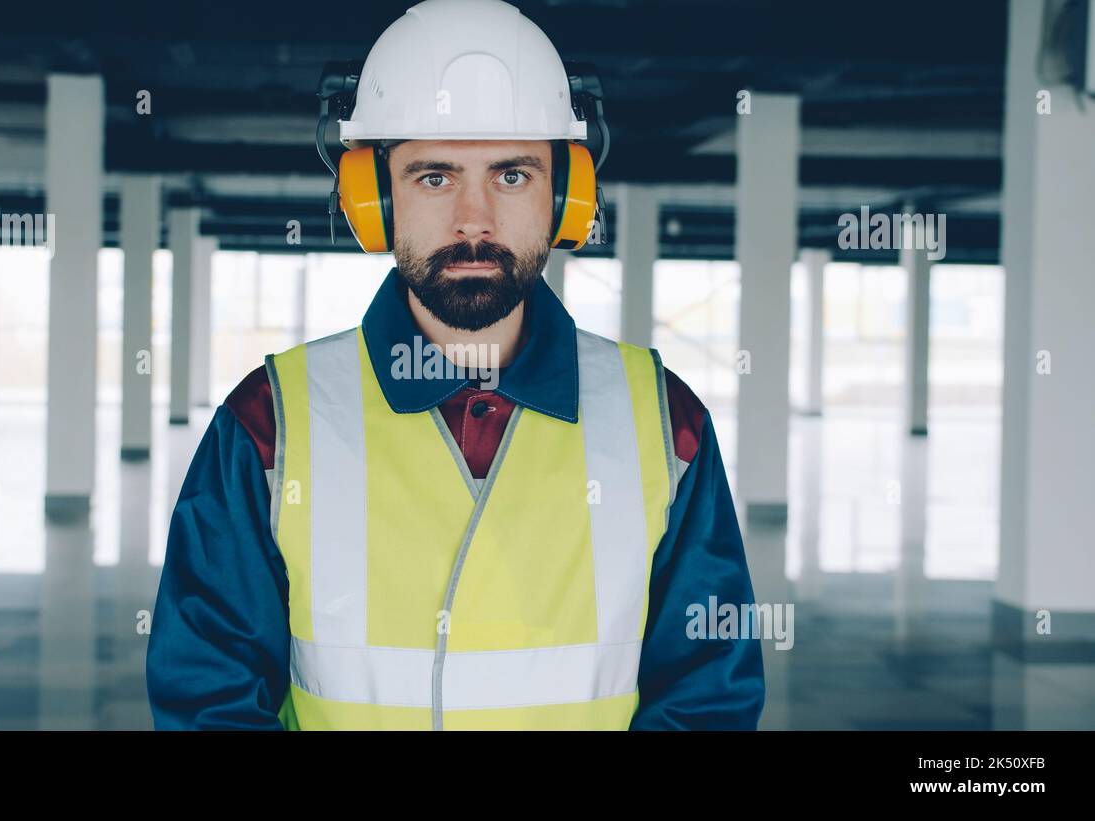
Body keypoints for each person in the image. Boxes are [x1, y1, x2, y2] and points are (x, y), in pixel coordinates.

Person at [146, 0, 764, 730]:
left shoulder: (666, 423)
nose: (476, 218)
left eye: (512, 176)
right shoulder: (269, 423)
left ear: (566, 196)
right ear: (373, 202)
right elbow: (207, 694)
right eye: (435, 177)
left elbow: (708, 698)